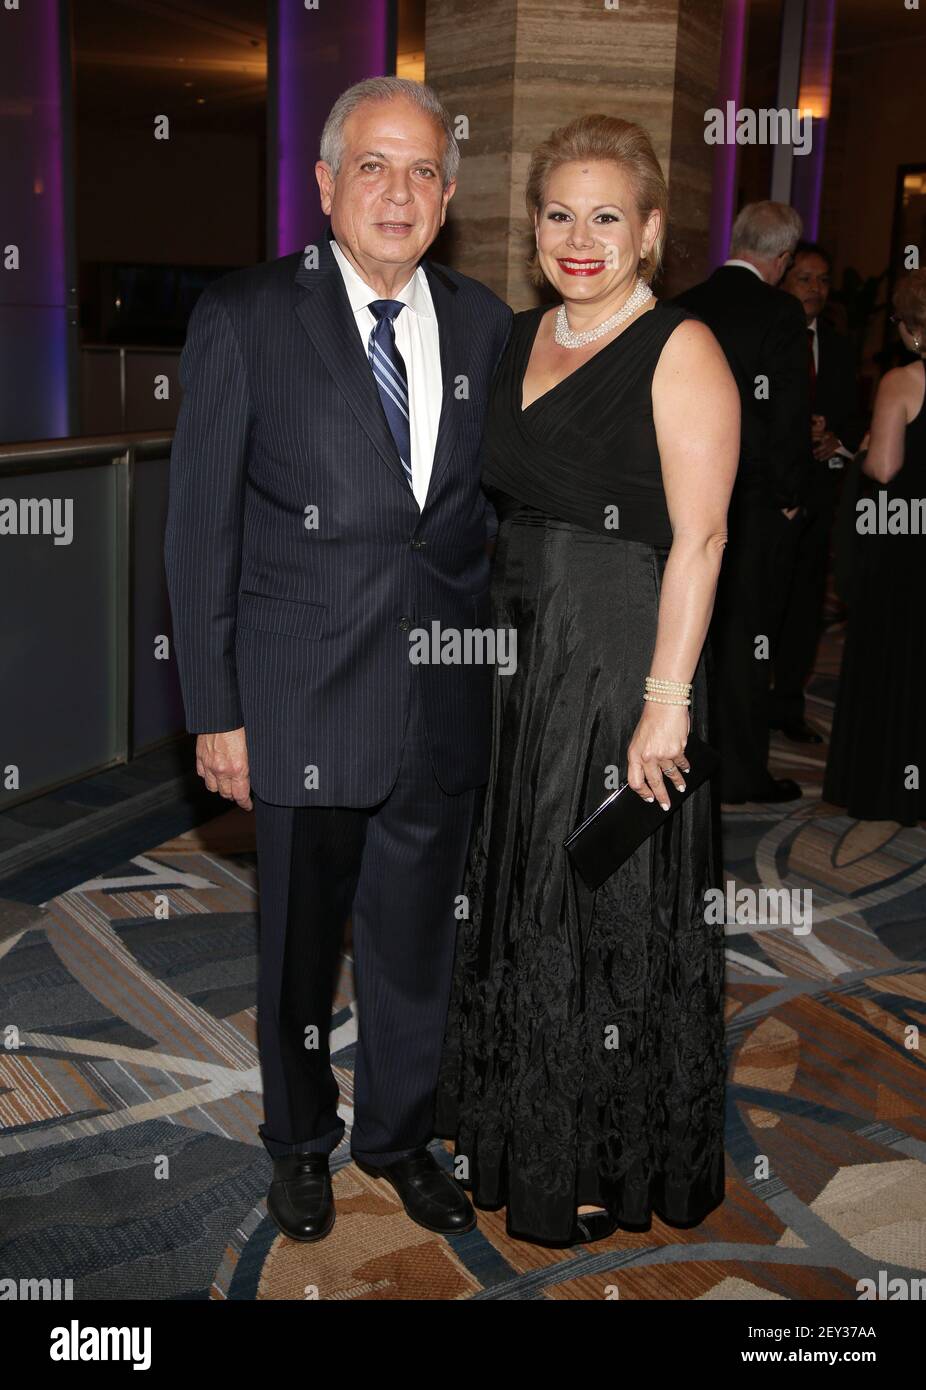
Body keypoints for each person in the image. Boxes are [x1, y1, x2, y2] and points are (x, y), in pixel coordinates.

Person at [164, 77, 512, 1243]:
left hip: (437, 700)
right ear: (325, 185)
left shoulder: (478, 324)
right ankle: (299, 1142)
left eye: (421, 171)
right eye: (373, 165)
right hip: (299, 700)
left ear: (449, 196)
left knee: (418, 939)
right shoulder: (248, 314)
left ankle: (399, 1135)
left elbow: (480, 525)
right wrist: (215, 709)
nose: (398, 191)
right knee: (300, 950)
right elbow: (197, 526)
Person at [435, 114, 740, 1246]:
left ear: (649, 230)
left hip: (617, 656)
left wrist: (666, 700)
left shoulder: (680, 349)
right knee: (514, 880)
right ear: (530, 230)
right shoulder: (512, 341)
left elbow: (702, 540)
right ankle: (513, 1126)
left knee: (597, 896)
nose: (578, 236)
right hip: (516, 657)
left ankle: (604, 1149)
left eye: (605, 215)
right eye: (557, 213)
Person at [674, 202, 810, 804]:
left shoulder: (684, 303)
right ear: (782, 260)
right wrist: (790, 495)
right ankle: (743, 776)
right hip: (753, 502)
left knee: (691, 635)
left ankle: (688, 764)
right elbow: (787, 417)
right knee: (751, 638)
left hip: (682, 495)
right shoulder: (780, 311)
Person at [823, 269, 926, 826]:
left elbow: (885, 467)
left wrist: (862, 449)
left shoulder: (903, 381)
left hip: (905, 546)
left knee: (894, 662)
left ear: (911, 329)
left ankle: (889, 787)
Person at [772, 242, 866, 743]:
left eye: (823, 280)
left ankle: (787, 704)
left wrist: (838, 441)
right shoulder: (770, 337)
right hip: (768, 498)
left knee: (807, 604)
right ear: (784, 281)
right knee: (765, 604)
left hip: (819, 492)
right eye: (804, 278)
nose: (815, 289)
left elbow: (856, 418)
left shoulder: (840, 347)